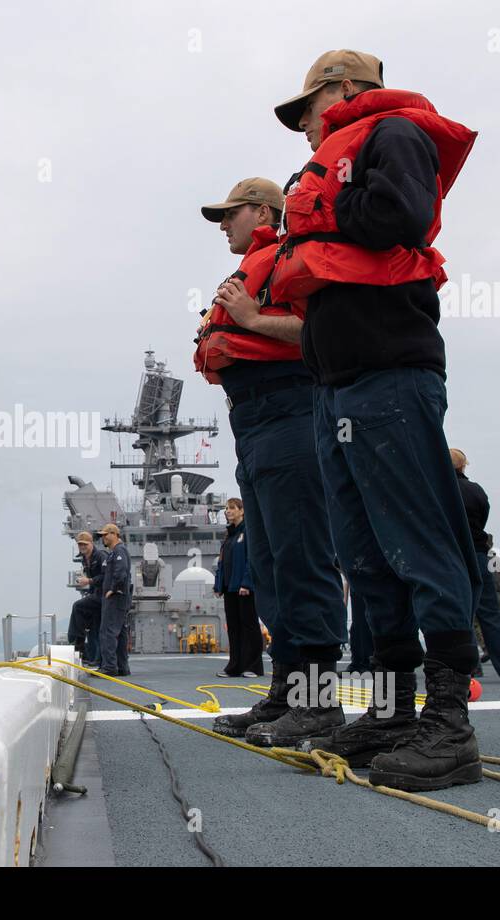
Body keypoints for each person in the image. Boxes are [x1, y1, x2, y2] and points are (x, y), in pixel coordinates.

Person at [269, 50, 483, 790]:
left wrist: (325, 212)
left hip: (390, 376)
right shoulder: (342, 152)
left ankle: (450, 724)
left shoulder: (393, 134)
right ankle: (392, 711)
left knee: (418, 542)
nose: (303, 127)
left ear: (347, 89)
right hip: (337, 388)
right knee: (365, 554)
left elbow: (402, 214)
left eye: (308, 109)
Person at [194, 177, 348, 746]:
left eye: (229, 214)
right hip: (254, 419)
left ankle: (319, 703)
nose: (222, 225)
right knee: (271, 561)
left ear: (263, 210)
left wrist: (254, 322)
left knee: (302, 553)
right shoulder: (256, 265)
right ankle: (289, 690)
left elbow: (323, 329)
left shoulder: (289, 258)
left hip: (289, 411)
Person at [452, 449, 500, 682]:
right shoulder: (476, 490)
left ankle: (468, 668)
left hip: (453, 555)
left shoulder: (439, 490)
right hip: (480, 554)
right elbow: (484, 516)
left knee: (460, 613)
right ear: (464, 466)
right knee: (491, 615)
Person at [213, 498, 265, 678]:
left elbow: (253, 560)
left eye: (232, 508)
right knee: (234, 627)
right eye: (227, 508)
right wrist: (219, 585)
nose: (228, 511)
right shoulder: (229, 536)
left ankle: (254, 666)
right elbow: (221, 562)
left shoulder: (248, 532)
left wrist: (246, 583)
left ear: (242, 511)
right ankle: (234, 666)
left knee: (249, 626)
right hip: (230, 588)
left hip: (244, 588)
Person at [66, 531, 107, 666]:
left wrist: (88, 581)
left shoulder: (100, 557)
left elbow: (105, 576)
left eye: (84, 544)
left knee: (77, 606)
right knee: (94, 628)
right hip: (95, 594)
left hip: (103, 595)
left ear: (91, 544)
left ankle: (76, 641)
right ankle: (94, 659)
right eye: (80, 544)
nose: (82, 546)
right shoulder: (85, 558)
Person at [96, 523, 132, 677]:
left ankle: (109, 667)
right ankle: (122, 667)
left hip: (116, 597)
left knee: (108, 631)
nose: (103, 538)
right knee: (121, 632)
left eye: (105, 535)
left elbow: (121, 572)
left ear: (114, 534)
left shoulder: (119, 551)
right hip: (120, 598)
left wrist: (113, 589)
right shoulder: (114, 552)